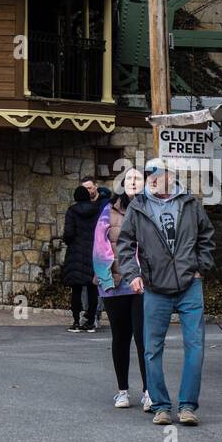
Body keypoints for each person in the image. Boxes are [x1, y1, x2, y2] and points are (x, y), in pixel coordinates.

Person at [117, 158, 215, 427]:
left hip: (189, 285)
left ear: (171, 175)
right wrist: (132, 275)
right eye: (148, 172)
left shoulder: (190, 204)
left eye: (156, 172)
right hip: (155, 286)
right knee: (151, 349)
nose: (151, 177)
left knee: (195, 347)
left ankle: (187, 406)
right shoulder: (138, 207)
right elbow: (125, 244)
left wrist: (201, 267)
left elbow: (206, 236)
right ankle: (160, 406)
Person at [93, 168, 150, 409]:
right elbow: (99, 246)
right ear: (122, 184)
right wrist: (106, 280)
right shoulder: (109, 210)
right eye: (129, 178)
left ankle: (149, 391)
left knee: (143, 338)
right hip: (115, 284)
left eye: (138, 178)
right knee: (120, 337)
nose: (133, 182)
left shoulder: (152, 209)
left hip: (143, 285)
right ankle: (123, 391)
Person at [62, 178, 103, 331]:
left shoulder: (72, 211)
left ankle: (76, 322)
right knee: (92, 289)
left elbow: (69, 233)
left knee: (76, 290)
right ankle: (91, 321)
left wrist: (68, 241)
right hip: (93, 253)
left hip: (75, 255)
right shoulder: (96, 210)